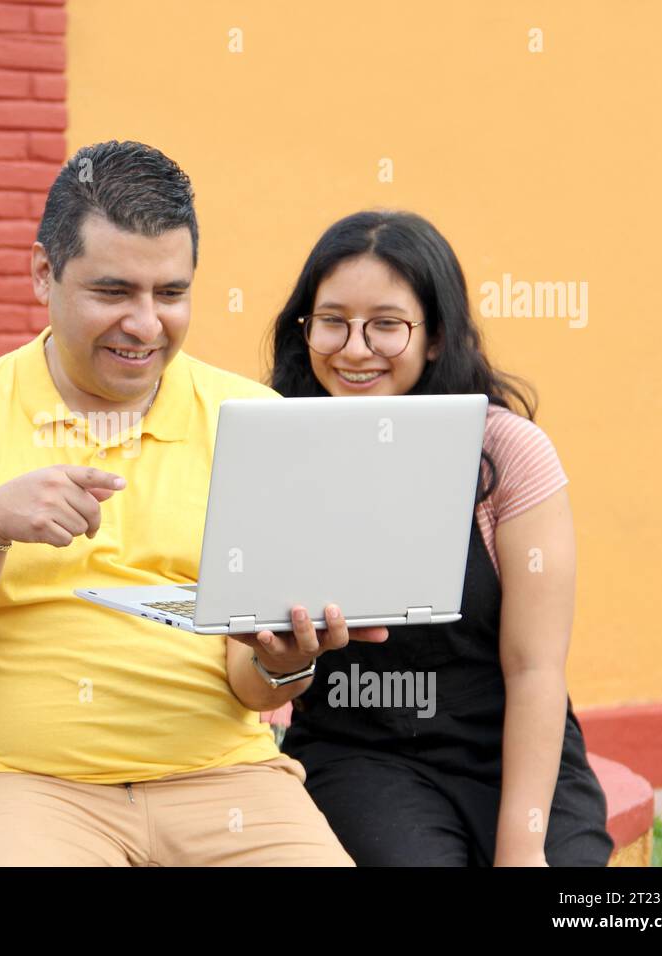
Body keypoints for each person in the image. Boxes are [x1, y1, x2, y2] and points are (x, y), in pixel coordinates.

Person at [0, 140, 386, 866]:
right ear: (44, 272)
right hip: (23, 789)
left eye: (170, 294)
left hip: (227, 781)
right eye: (113, 292)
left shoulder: (252, 417)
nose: (145, 325)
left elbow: (254, 685)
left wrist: (284, 661)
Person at [269, 210, 613, 866]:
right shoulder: (277, 449)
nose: (354, 347)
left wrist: (521, 848)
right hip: (362, 757)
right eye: (333, 320)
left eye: (387, 325)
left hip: (514, 753)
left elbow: (536, 667)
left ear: (435, 338)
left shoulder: (506, 454)